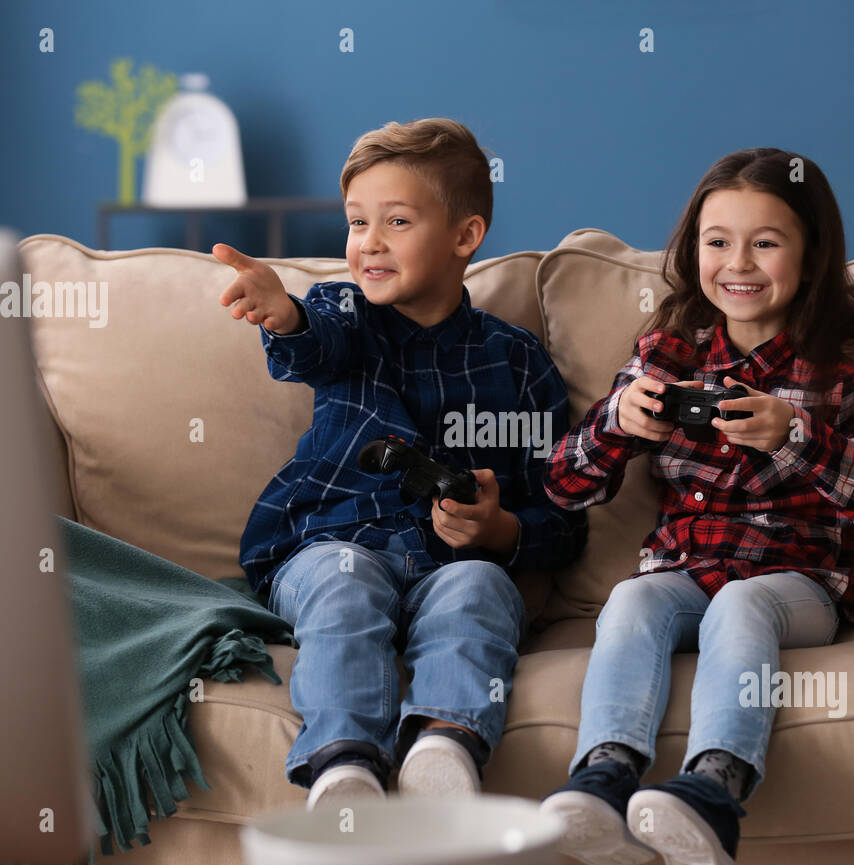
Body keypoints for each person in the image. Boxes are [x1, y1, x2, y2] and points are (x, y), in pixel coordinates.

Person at [539, 148, 854, 865]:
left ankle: (714, 791)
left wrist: (798, 437)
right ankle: (604, 777)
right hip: (683, 571)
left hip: (798, 583)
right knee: (631, 600)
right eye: (718, 242)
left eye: (766, 243)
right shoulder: (670, 350)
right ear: (693, 251)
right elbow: (564, 487)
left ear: (810, 256)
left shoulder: (850, 361)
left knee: (741, 606)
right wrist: (618, 422)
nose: (738, 264)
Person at [216, 118, 586, 810]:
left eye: (396, 221)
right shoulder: (343, 313)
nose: (369, 243)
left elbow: (562, 510)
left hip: (452, 566)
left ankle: (444, 747)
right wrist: (282, 315)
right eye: (357, 223)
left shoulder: (517, 362)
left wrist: (502, 529)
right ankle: (345, 762)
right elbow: (311, 342)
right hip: (331, 544)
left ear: (465, 236)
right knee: (344, 588)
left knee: (480, 591)